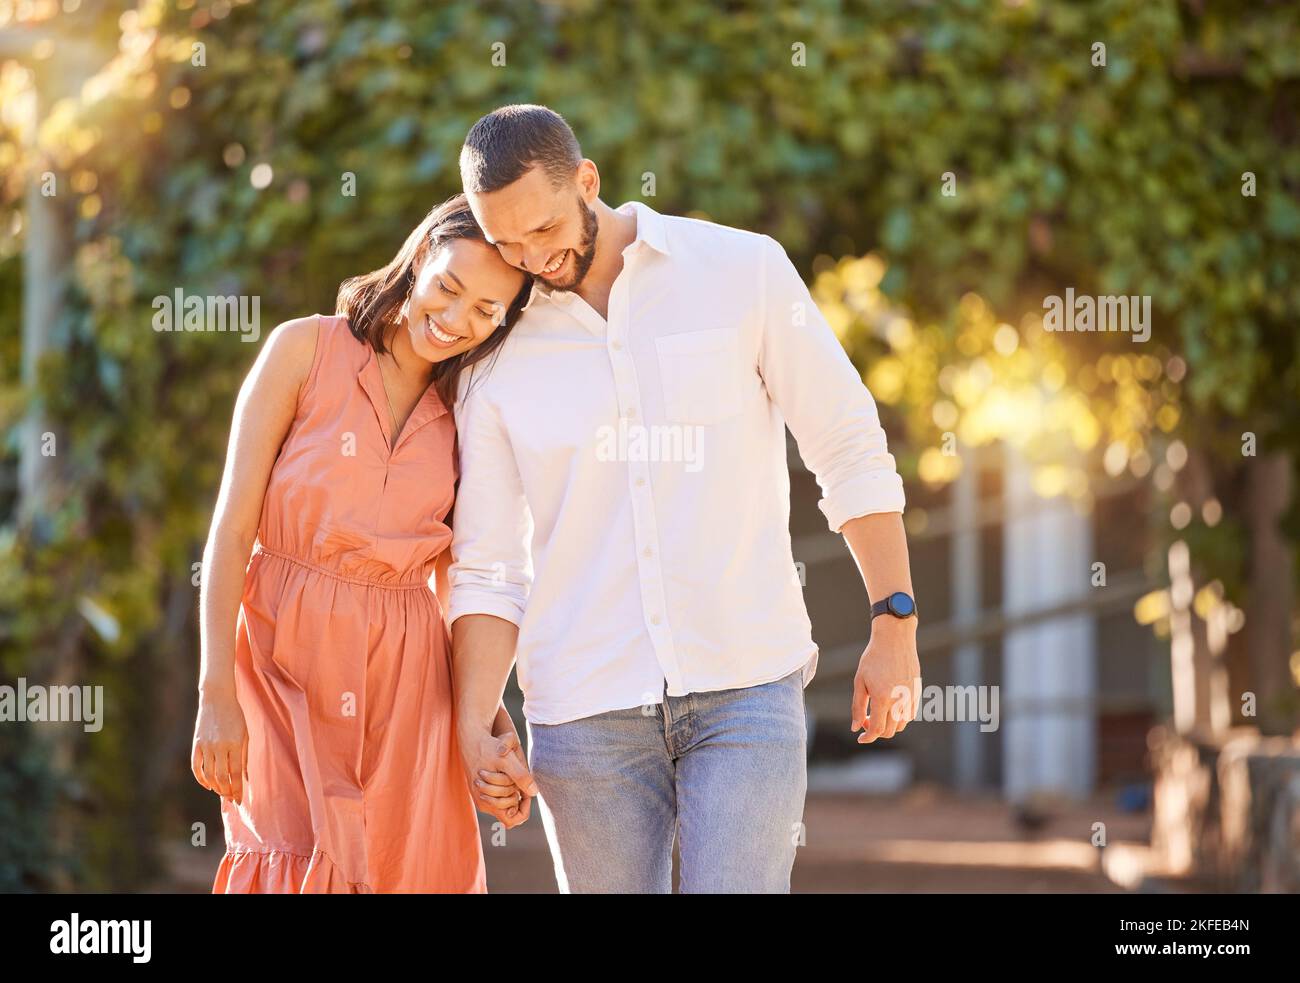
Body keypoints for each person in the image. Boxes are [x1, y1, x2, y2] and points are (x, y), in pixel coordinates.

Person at [449, 105, 923, 893]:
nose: (532, 257)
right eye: (506, 243)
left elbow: (846, 443)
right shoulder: (493, 352)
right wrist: (474, 717)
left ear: (587, 181)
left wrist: (894, 619)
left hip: (746, 686)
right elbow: (490, 565)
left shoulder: (742, 271)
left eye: (544, 228)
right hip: (585, 712)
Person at [190, 194, 535, 893]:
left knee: (402, 865)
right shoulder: (303, 350)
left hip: (408, 676)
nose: (457, 319)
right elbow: (232, 528)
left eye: (486, 310)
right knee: (286, 853)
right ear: (420, 258)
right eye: (449, 287)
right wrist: (215, 689)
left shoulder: (468, 408)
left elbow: (460, 578)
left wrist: (485, 714)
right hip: (281, 657)